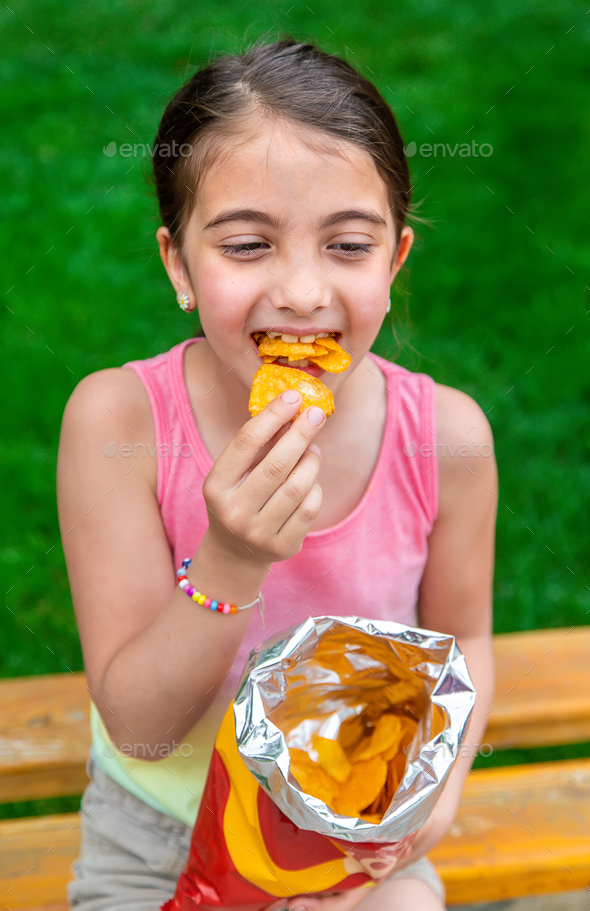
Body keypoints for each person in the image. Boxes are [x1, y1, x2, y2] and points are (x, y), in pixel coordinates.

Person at [57, 34, 497, 911]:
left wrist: (432, 802)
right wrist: (230, 560)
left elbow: (466, 645)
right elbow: (141, 732)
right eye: (249, 245)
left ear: (395, 260)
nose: (301, 291)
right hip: (161, 836)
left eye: (347, 245)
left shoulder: (445, 436)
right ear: (178, 264)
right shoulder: (118, 422)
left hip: (353, 835)